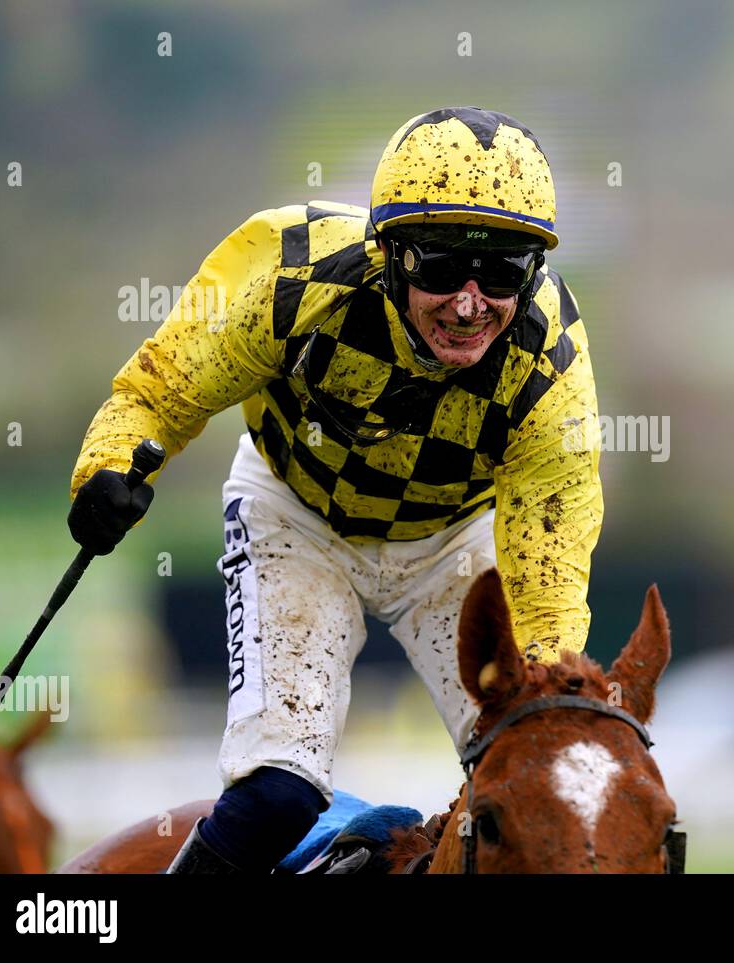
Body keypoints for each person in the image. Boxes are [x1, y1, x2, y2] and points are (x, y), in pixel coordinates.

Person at [66, 107, 603, 873]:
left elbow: (549, 581)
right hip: (297, 517)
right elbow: (162, 394)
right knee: (278, 793)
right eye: (440, 267)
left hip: (454, 542)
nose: (469, 302)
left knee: (546, 771)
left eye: (504, 272)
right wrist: (107, 468)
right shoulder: (295, 281)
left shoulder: (551, 368)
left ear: (535, 272)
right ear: (388, 254)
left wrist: (545, 705)